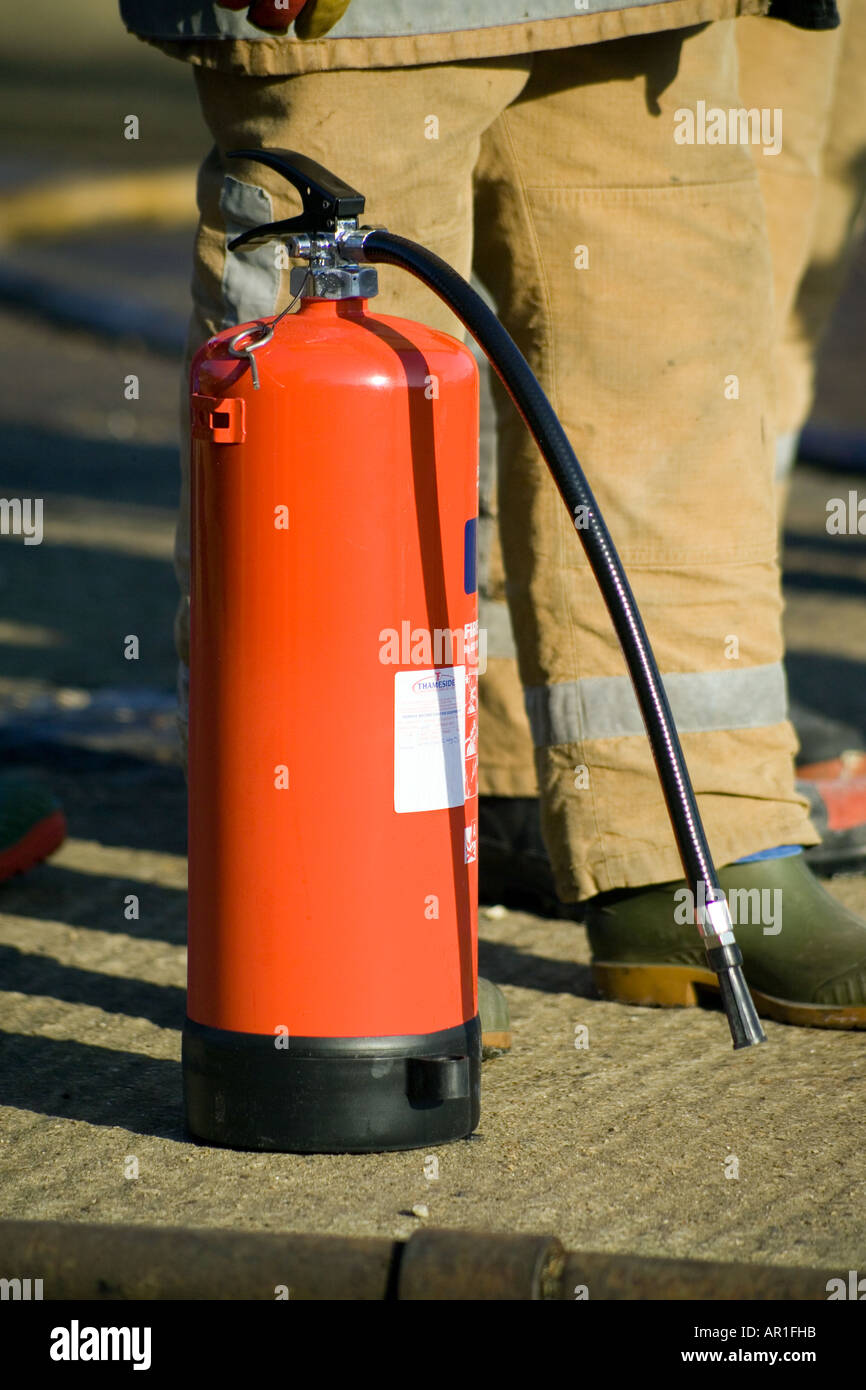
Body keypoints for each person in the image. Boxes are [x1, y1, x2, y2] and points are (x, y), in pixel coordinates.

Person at [120, 0, 866, 1037]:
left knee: (674, 384)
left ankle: (694, 850)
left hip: (640, 13)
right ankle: (337, 902)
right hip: (367, 22)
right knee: (341, 417)